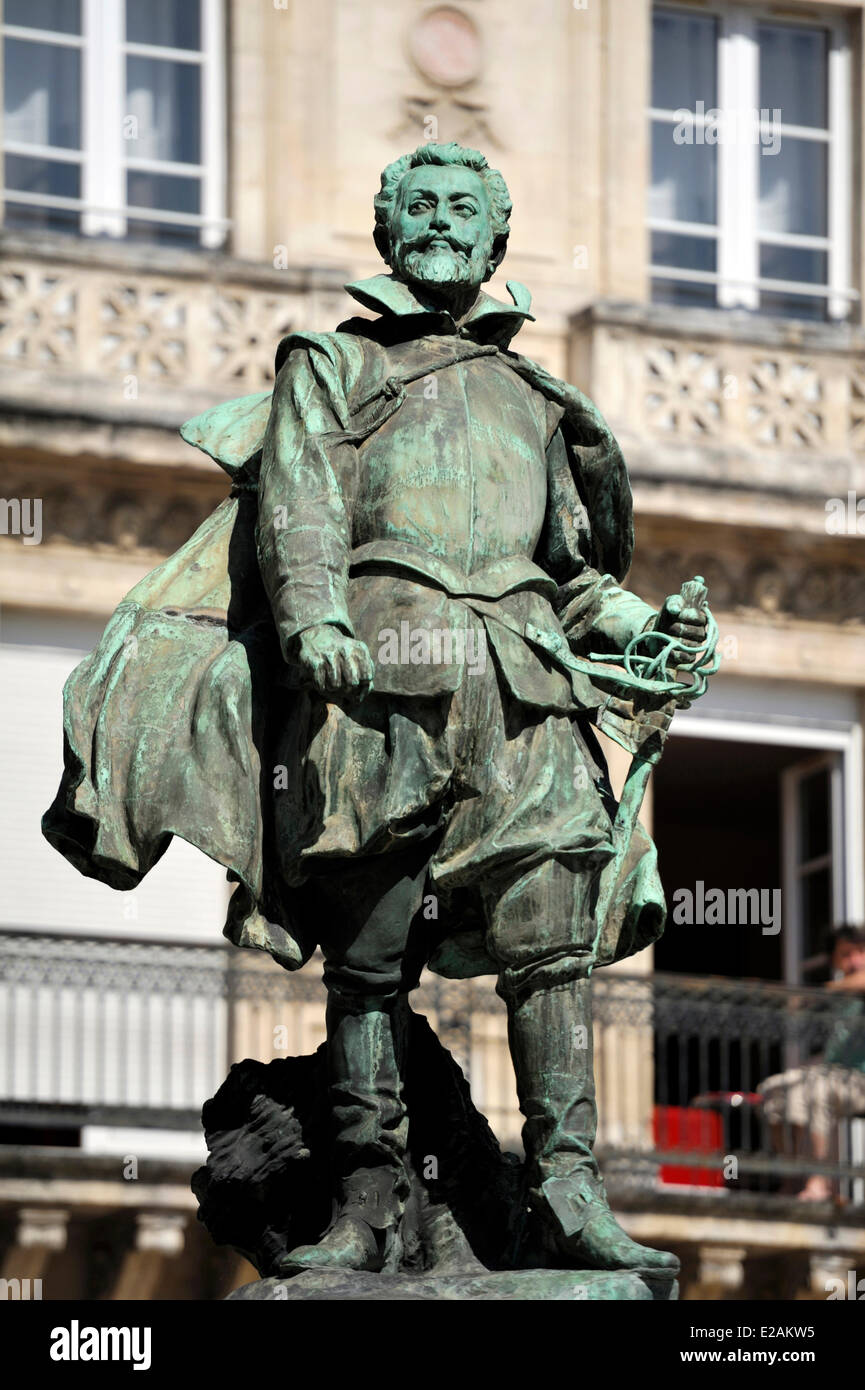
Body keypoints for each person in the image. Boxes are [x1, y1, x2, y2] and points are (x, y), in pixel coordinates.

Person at [44, 142, 711, 1277]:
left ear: (498, 238)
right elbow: (298, 504)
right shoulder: (332, 361)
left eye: (465, 209)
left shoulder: (535, 400)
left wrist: (649, 630)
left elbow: (575, 575)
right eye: (421, 207)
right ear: (387, 231)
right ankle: (364, 1200)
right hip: (379, 682)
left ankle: (568, 1191)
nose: (442, 223)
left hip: (522, 681)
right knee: (369, 957)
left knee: (553, 946)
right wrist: (314, 625)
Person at [758, 925, 865, 1202]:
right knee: (774, 1089)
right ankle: (793, 1178)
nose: (854, 961)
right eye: (846, 955)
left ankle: (820, 1182)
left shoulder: (848, 988)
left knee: (818, 1090)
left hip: (860, 1081)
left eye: (861, 952)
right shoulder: (842, 999)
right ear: (834, 961)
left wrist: (822, 991)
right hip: (836, 1075)